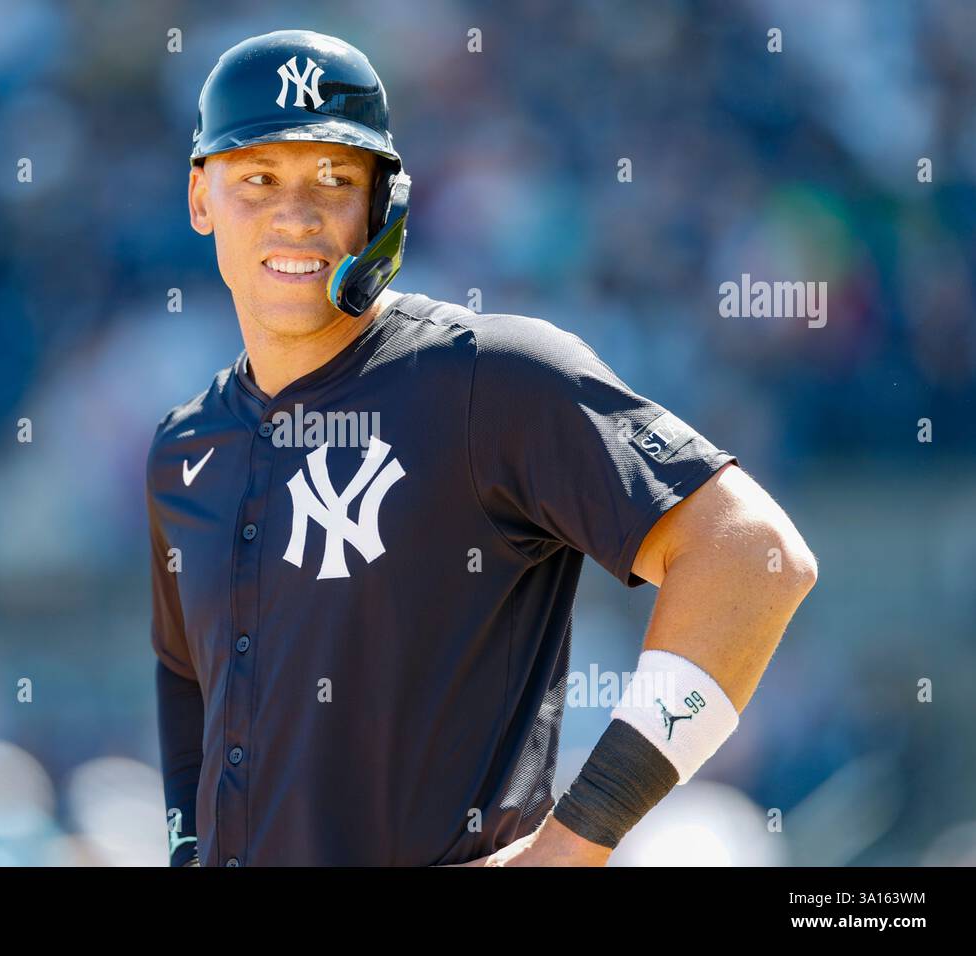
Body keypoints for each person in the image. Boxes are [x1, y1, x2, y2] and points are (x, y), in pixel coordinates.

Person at [147, 29, 817, 867]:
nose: (295, 213)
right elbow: (187, 682)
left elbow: (753, 558)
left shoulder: (491, 379)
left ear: (382, 206)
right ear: (200, 198)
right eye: (256, 178)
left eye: (335, 178)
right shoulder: (183, 447)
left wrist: (577, 841)